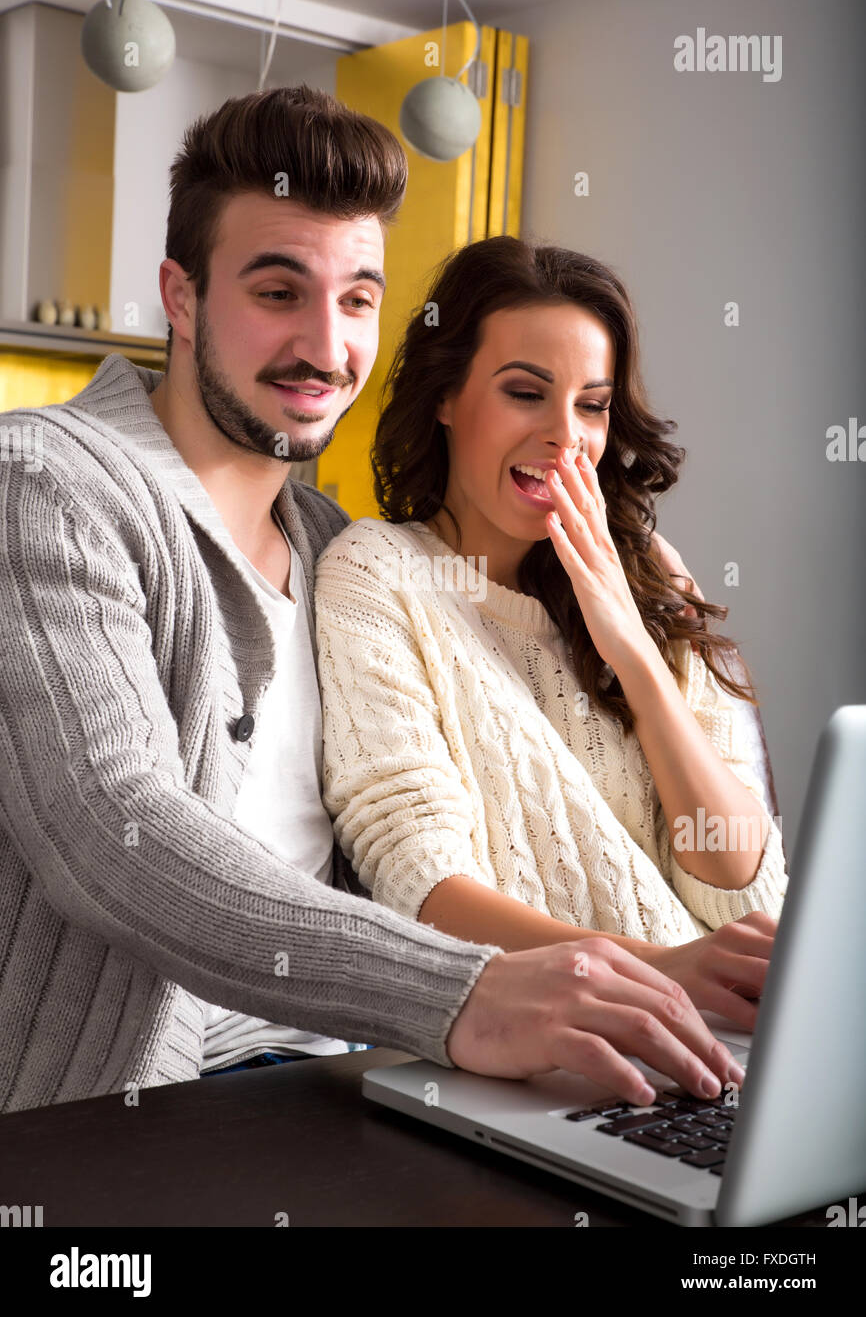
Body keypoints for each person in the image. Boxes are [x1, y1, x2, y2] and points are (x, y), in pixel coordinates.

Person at [0, 85, 743, 1116]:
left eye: (356, 299)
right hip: (133, 1108)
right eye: (276, 291)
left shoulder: (334, 545)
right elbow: (112, 824)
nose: (324, 344)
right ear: (179, 296)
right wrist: (459, 990)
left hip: (366, 1078)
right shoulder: (45, 483)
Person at [314, 235, 787, 1029]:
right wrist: (663, 973)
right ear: (445, 395)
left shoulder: (651, 574)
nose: (566, 436)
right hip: (549, 1049)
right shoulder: (377, 572)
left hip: (723, 1038)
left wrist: (632, 650)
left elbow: (742, 884)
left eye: (592, 405)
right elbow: (421, 887)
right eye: (525, 393)